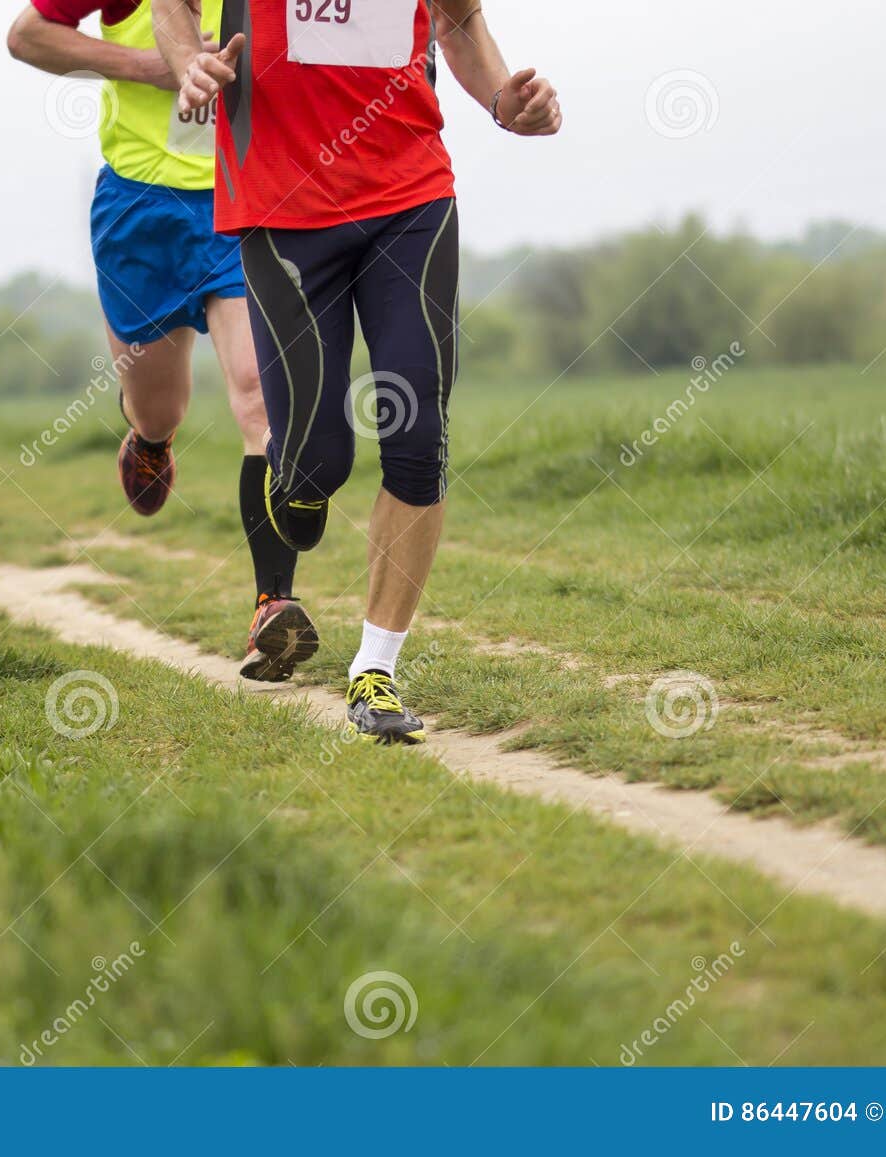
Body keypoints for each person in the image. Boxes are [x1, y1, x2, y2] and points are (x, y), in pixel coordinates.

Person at [156, 0, 561, 742]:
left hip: (410, 196)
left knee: (419, 430)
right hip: (279, 203)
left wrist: (506, 102)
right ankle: (298, 478)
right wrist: (188, 63)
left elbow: (459, 23)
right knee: (318, 460)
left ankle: (376, 668)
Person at [8, 0, 318, 682]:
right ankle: (149, 438)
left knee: (259, 398)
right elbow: (26, 37)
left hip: (242, 199)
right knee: (161, 407)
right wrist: (146, 66)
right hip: (140, 211)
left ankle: (273, 604)